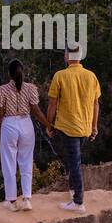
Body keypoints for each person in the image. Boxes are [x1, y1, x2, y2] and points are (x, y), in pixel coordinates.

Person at [46, 43, 101, 213]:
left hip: (67, 127)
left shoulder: (60, 76)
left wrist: (49, 124)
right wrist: (94, 126)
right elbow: (95, 104)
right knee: (73, 160)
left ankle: (78, 202)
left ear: (67, 56)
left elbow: (52, 105)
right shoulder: (91, 76)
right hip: (84, 127)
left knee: (74, 163)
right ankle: (72, 192)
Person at [0, 60, 48, 211]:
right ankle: (27, 199)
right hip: (26, 123)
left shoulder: (2, 90)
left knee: (9, 163)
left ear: (9, 73)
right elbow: (36, 111)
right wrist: (48, 124)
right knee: (26, 161)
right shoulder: (30, 88)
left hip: (9, 124)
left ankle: (11, 201)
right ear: (22, 71)